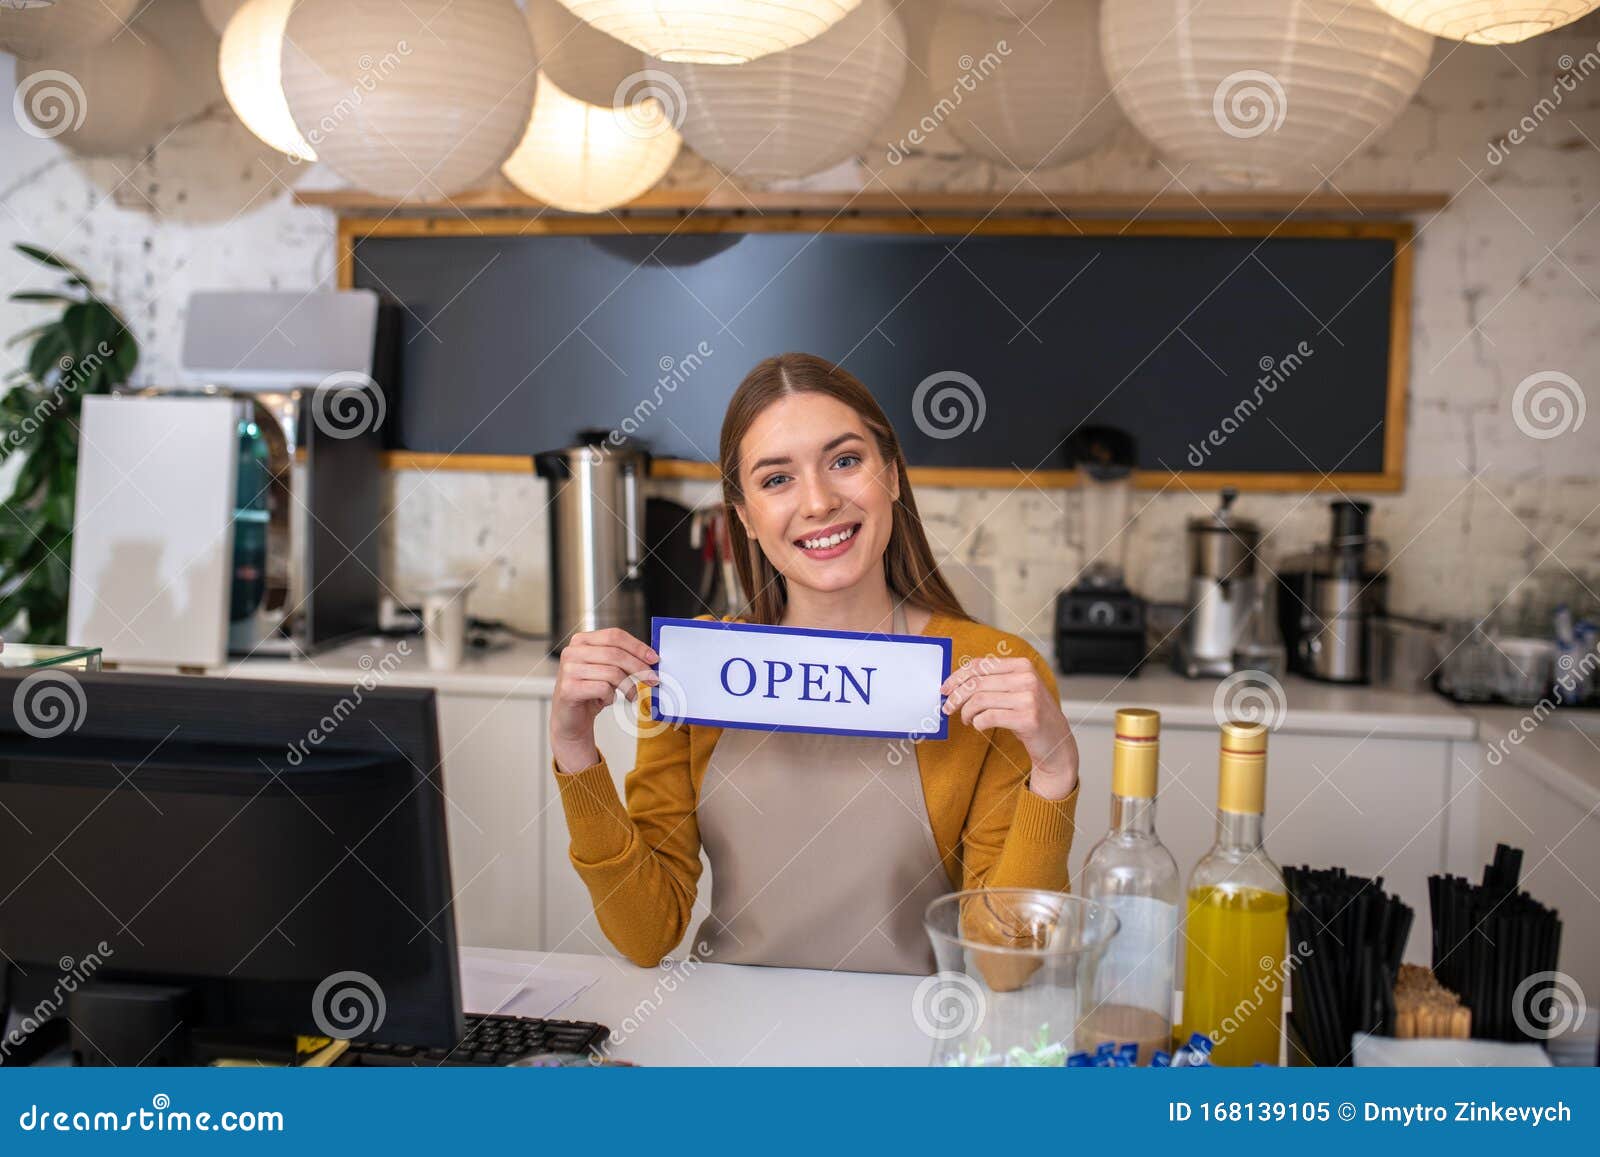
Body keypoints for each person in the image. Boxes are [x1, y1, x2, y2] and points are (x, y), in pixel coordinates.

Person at [547, 353, 1082, 974]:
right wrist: (574, 748)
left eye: (846, 461)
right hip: (728, 1038)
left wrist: (1056, 769)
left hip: (912, 1044)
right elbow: (646, 933)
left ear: (893, 476)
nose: (821, 501)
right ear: (743, 517)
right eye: (777, 479)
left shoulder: (992, 673)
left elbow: (1005, 965)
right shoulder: (692, 669)